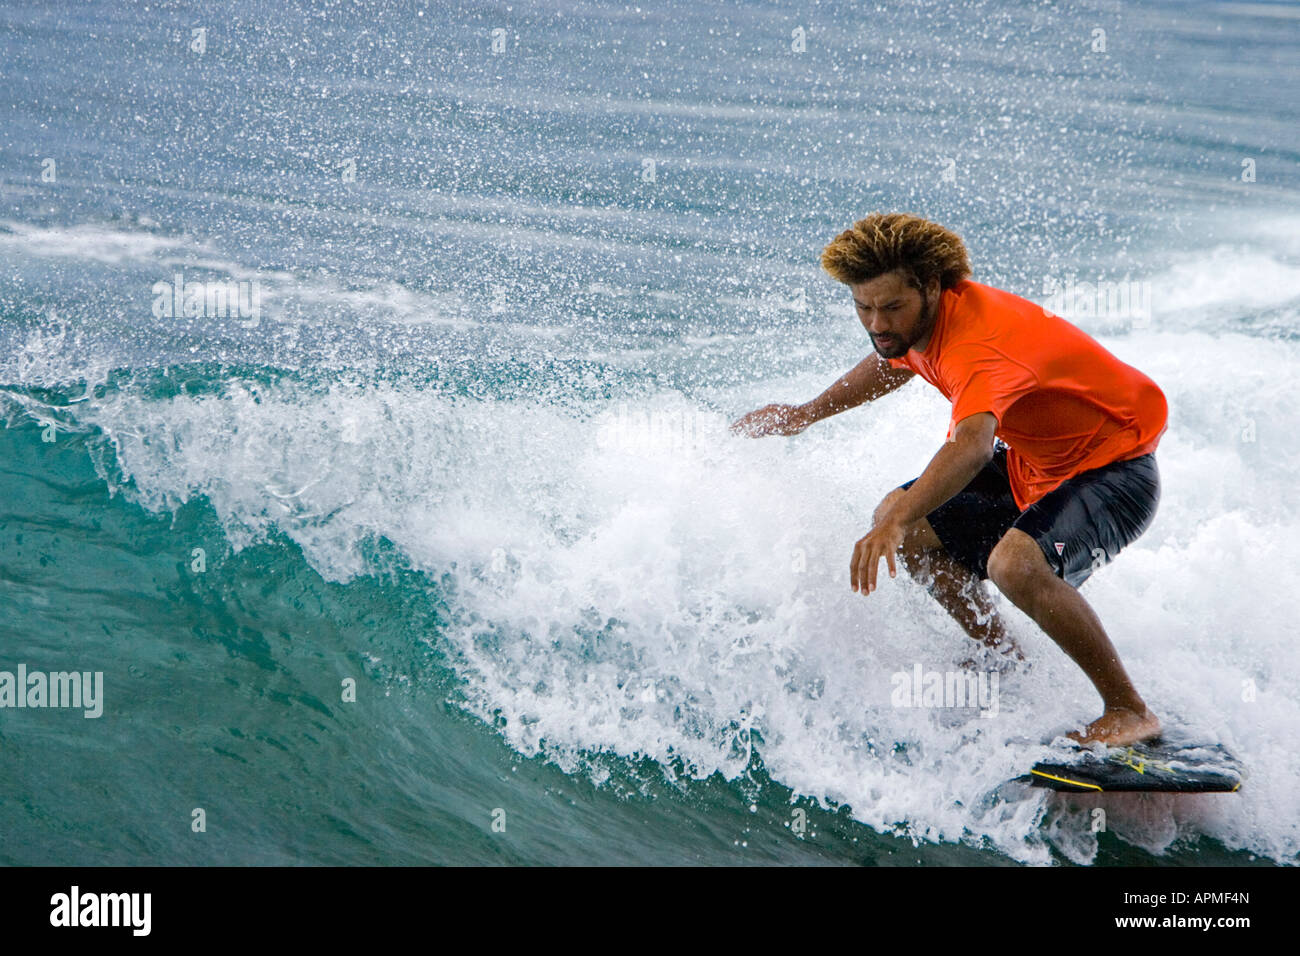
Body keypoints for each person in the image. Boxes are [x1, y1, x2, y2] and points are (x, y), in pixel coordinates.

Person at [730, 213, 1168, 747]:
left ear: (931, 286)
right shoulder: (920, 322)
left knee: (1010, 562)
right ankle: (1001, 658)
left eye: (891, 307)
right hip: (1034, 464)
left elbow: (971, 445)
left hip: (1114, 472)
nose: (877, 323)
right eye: (863, 307)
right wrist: (805, 414)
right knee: (908, 525)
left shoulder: (978, 346)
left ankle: (1129, 709)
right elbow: (892, 360)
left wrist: (895, 518)